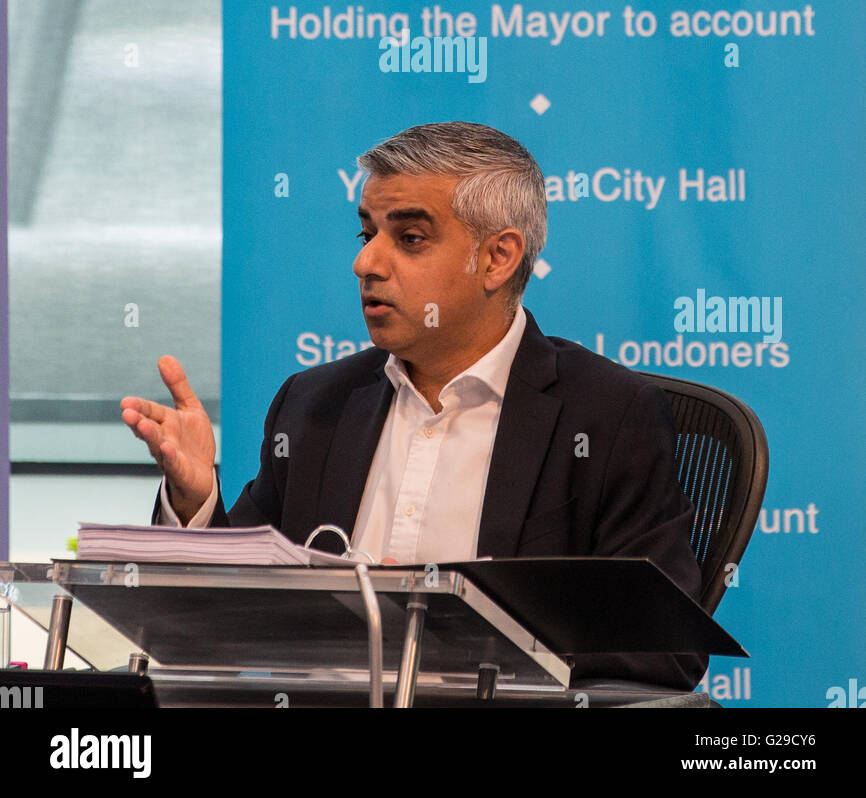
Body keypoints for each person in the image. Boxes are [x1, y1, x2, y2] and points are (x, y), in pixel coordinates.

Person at [121, 120, 707, 689]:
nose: (367, 263)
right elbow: (219, 620)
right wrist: (196, 500)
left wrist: (469, 664)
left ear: (497, 259)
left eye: (410, 238)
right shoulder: (314, 405)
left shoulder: (607, 415)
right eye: (366, 233)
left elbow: (663, 650)